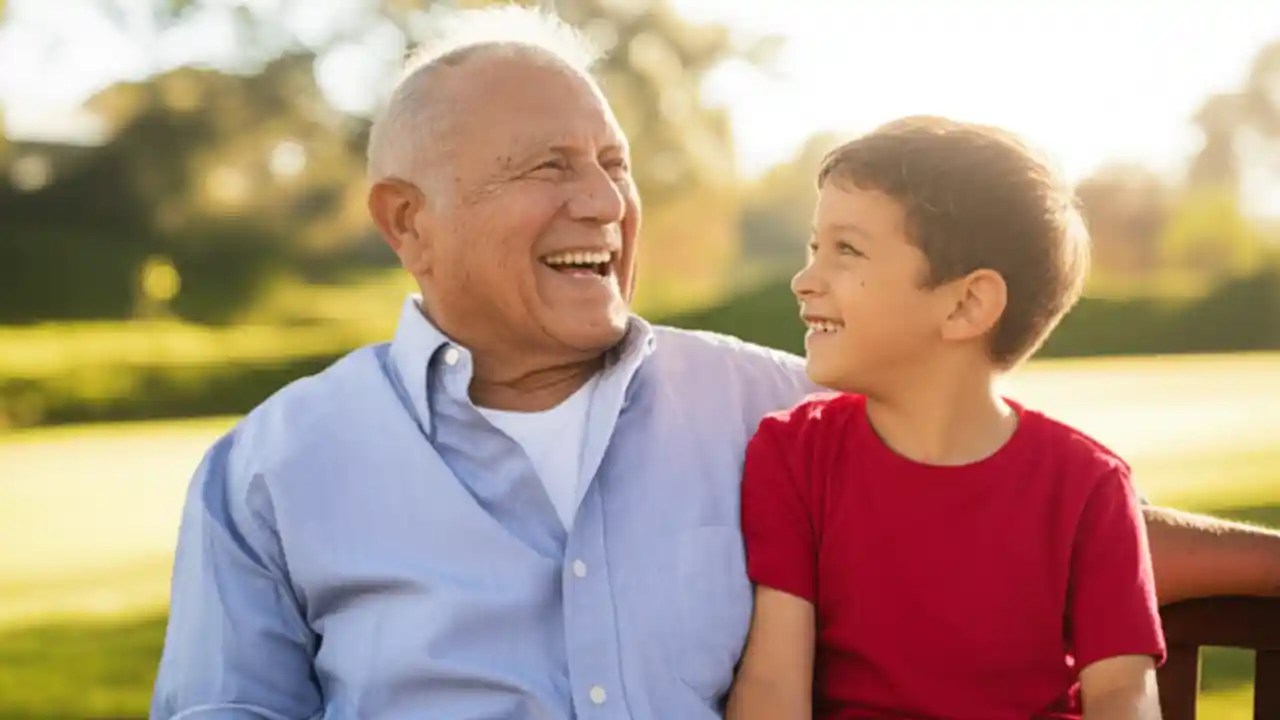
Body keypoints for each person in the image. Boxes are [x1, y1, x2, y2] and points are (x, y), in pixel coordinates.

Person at [152, 6, 1280, 719]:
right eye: (546, 166)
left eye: (611, 162)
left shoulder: (774, 409)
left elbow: (1026, 509)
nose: (601, 201)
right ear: (408, 221)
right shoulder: (271, 470)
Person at [727, 117, 1163, 720]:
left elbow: (1123, 693)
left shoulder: (1088, 486)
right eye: (813, 248)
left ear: (966, 304)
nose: (804, 281)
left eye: (846, 250)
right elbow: (774, 687)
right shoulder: (793, 457)